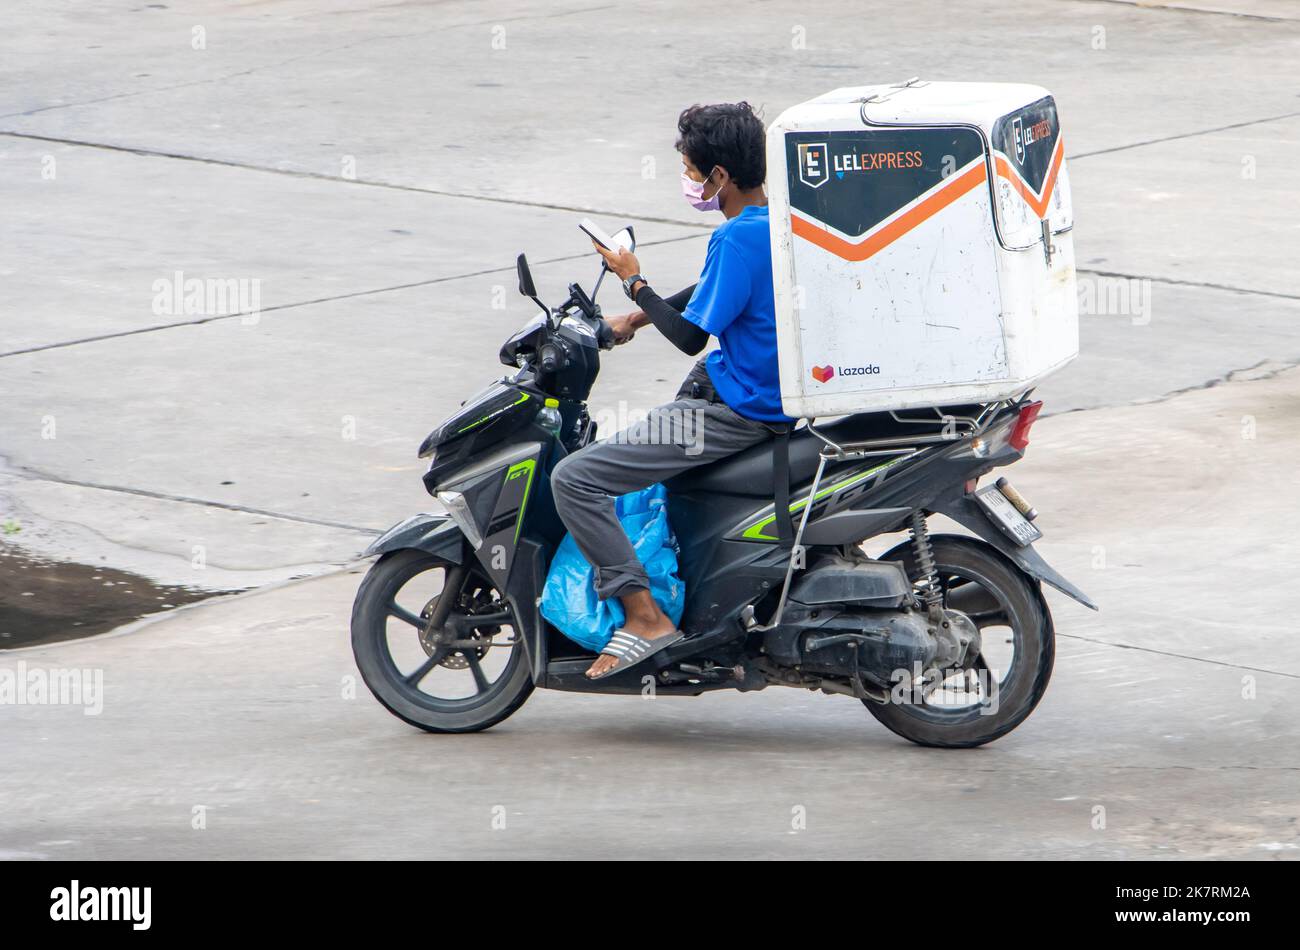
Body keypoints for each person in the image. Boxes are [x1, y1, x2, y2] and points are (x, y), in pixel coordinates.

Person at [550, 101, 792, 680]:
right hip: (751, 395)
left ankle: (644, 616)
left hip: (737, 411)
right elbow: (714, 289)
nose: (687, 181)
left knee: (575, 478)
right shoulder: (775, 221)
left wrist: (634, 281)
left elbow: (688, 338)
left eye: (690, 170)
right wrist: (634, 320)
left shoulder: (736, 239)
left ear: (720, 177)